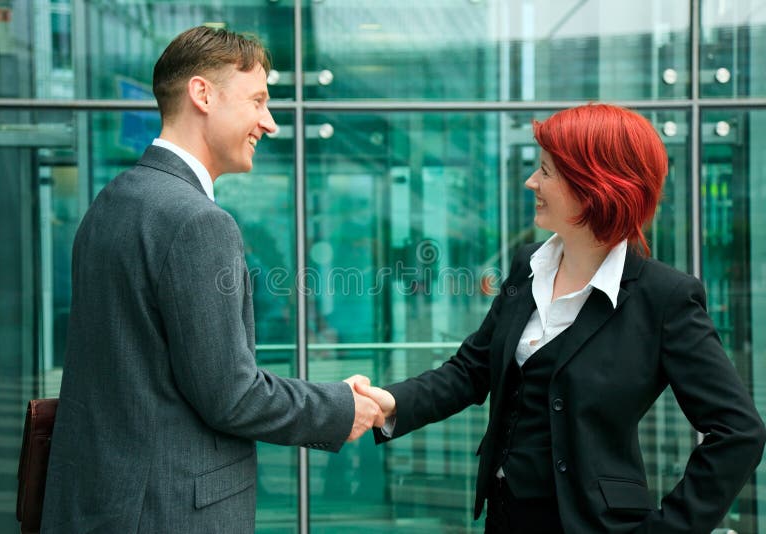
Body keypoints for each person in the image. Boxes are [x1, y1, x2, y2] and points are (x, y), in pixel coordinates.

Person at [357, 103, 766, 533]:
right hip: (506, 518)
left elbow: (739, 431)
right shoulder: (527, 265)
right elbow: (472, 369)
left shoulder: (665, 298)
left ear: (594, 184)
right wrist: (393, 402)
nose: (530, 181)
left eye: (547, 172)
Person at [40, 26, 383, 533]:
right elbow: (231, 395)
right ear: (202, 94)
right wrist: (339, 407)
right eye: (258, 100)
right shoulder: (199, 221)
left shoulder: (111, 202)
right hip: (167, 511)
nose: (268, 123)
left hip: (103, 504)